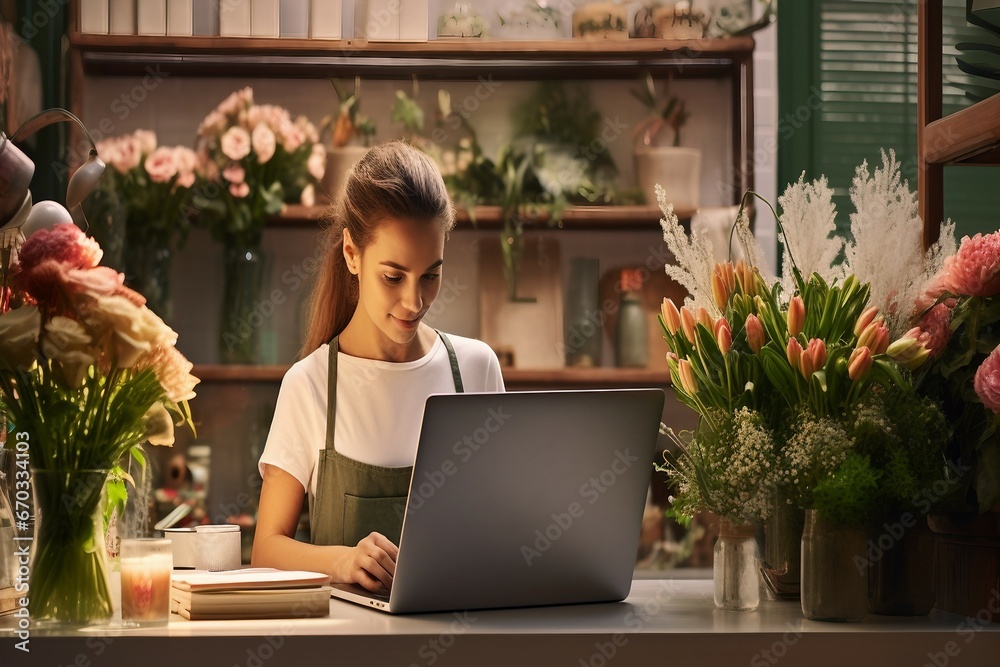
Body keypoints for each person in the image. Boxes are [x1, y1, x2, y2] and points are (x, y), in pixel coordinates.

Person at [252, 141, 504, 594]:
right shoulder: (308, 386)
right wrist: (342, 561)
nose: (415, 301)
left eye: (431, 275)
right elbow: (266, 550)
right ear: (352, 253)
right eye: (393, 276)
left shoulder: (476, 370)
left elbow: (506, 526)